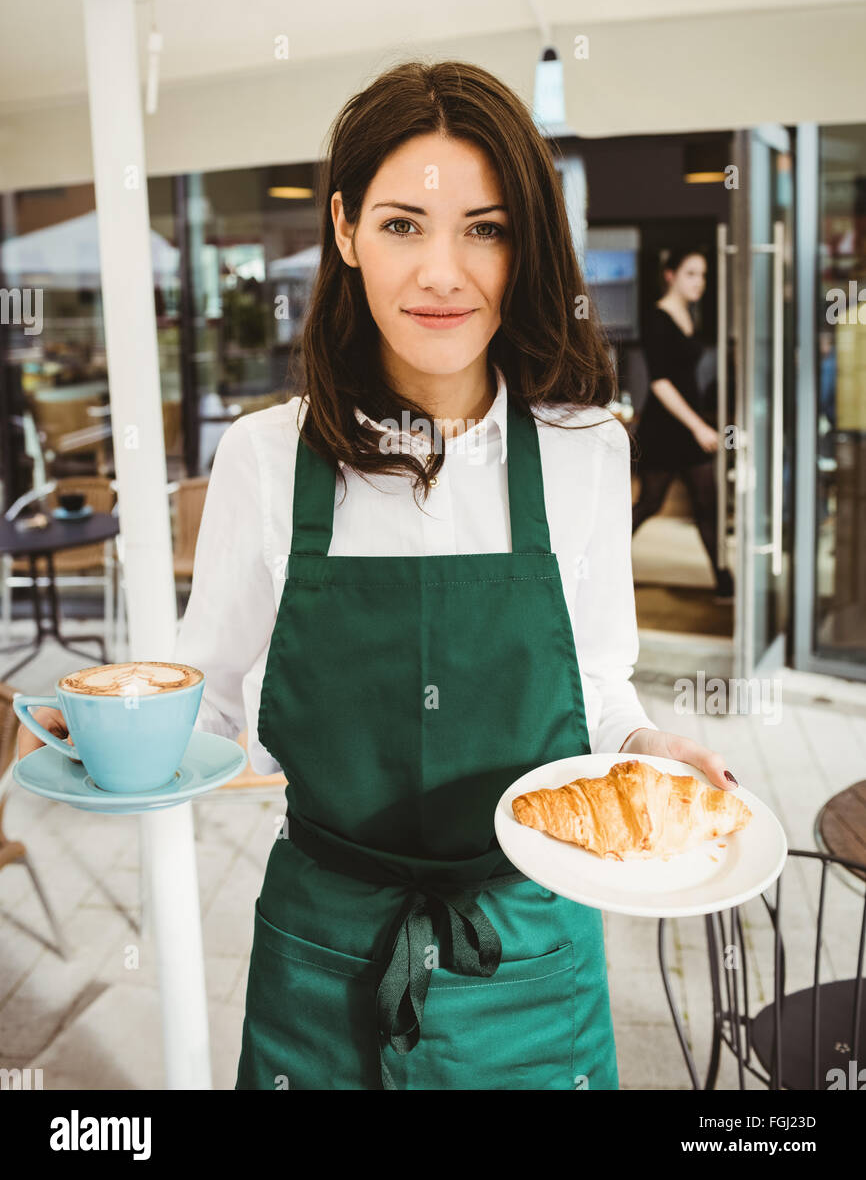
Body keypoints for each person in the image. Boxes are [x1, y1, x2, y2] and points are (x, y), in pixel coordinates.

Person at [17, 60, 739, 1091]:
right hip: (321, 955)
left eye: (482, 228)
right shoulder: (266, 456)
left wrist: (644, 743)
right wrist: (109, 743)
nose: (441, 271)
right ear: (346, 230)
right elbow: (210, 702)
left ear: (523, 245)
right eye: (403, 224)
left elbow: (595, 684)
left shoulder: (584, 447)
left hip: (529, 949)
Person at [632, 249, 735, 599]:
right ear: (670, 275)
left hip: (686, 426)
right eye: (691, 274)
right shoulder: (657, 318)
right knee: (650, 504)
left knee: (708, 505)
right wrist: (699, 427)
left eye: (703, 275)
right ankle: (598, 560)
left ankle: (724, 581)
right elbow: (660, 382)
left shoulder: (690, 314)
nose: (700, 283)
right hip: (665, 429)